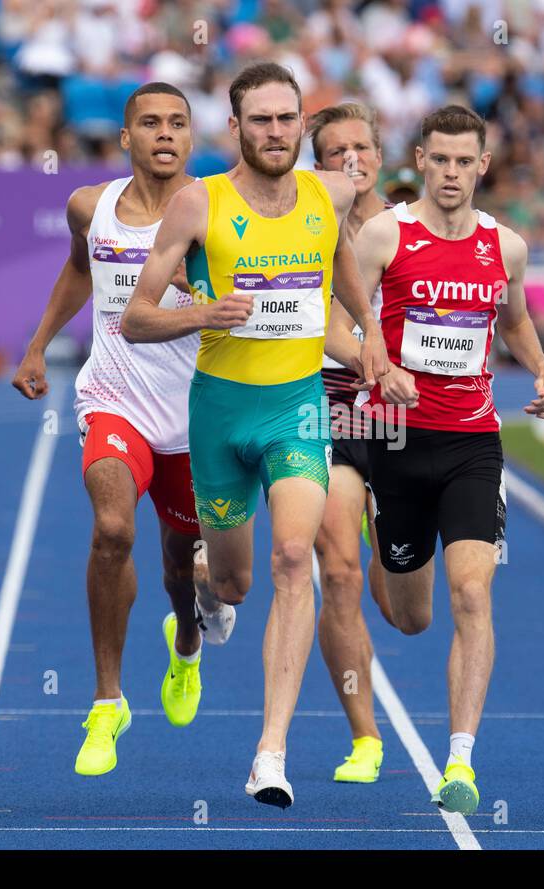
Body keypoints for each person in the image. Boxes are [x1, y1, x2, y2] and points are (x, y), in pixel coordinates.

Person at [120, 63, 389, 808]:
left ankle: (270, 751)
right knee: (236, 578)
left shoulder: (329, 194)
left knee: (295, 556)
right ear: (235, 127)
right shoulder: (196, 204)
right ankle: (206, 588)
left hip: (295, 408)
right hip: (219, 414)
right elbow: (135, 317)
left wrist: (370, 341)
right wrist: (201, 314)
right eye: (260, 120)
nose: (276, 132)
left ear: (305, 125)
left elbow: (339, 275)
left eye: (287, 118)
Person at [340, 104, 544, 815]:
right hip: (397, 441)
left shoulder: (507, 246)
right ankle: (386, 543)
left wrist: (542, 368)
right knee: (411, 617)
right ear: (421, 161)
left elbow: (516, 314)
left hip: (473, 442)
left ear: (482, 166)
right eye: (439, 160)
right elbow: (344, 316)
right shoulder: (385, 235)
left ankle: (460, 759)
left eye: (464, 161)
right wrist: (377, 364)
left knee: (472, 592)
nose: (451, 173)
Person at [11, 83, 221, 776]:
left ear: (192, 137)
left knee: (177, 563)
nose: (166, 133)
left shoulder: (220, 213)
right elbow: (81, 268)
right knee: (111, 529)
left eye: (178, 123)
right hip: (114, 396)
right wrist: (40, 343)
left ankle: (186, 638)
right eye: (151, 122)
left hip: (195, 415)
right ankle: (108, 700)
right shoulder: (88, 206)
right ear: (126, 137)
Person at [306, 101, 396, 784]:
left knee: (401, 607)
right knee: (335, 571)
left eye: (361, 146)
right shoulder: (306, 225)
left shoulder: (413, 229)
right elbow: (313, 325)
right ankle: (365, 736)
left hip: (405, 420)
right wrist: (370, 358)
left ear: (381, 152)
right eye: (336, 151)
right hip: (331, 409)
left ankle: (388, 556)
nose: (351, 160)